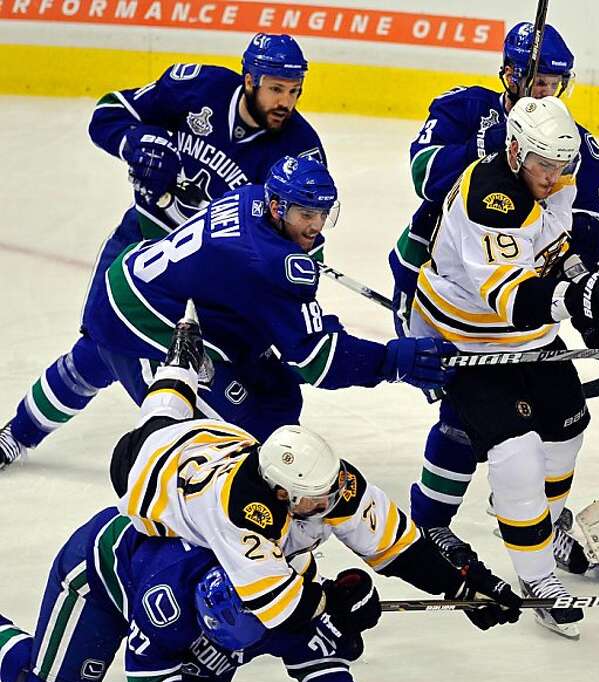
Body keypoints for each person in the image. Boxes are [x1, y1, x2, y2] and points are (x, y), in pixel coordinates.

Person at [0, 33, 329, 469]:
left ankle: (214, 473)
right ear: (249, 78)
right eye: (275, 88)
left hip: (210, 282)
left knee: (219, 383)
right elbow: (109, 112)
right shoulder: (197, 89)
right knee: (98, 351)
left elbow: (303, 240)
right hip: (139, 246)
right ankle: (18, 433)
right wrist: (133, 143)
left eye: (293, 91)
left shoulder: (298, 153)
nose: (285, 101)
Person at [103, 302, 522, 636]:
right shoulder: (240, 512)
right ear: (282, 495)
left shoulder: (325, 483)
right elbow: (278, 608)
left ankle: (181, 360)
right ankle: (177, 366)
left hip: (207, 440)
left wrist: (462, 585)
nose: (336, 501)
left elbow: (398, 545)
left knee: (171, 403)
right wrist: (334, 602)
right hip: (148, 474)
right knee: (161, 424)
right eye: (321, 498)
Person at [410, 94, 599, 639]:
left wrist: (597, 304)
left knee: (568, 429)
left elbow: (553, 249)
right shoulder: (489, 197)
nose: (553, 176)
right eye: (543, 164)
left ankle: (529, 518)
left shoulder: (556, 177)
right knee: (517, 454)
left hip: (527, 335)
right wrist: (580, 300)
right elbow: (510, 298)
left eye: (562, 166)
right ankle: (540, 580)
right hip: (463, 337)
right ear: (515, 151)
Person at [387, 22, 599, 572]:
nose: (544, 93)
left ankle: (533, 518)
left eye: (555, 84)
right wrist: (488, 150)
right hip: (440, 279)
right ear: (509, 74)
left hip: (520, 296)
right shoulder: (464, 109)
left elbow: (591, 229)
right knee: (464, 411)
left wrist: (592, 299)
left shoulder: (570, 145)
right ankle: (431, 525)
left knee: (517, 419)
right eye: (536, 81)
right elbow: (424, 175)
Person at [77, 154, 454, 440]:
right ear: (278, 208)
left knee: (278, 392)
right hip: (136, 322)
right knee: (247, 432)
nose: (316, 226)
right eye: (306, 214)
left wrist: (303, 324)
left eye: (323, 214)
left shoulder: (252, 196)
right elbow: (316, 362)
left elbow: (262, 296)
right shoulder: (273, 262)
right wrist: (391, 361)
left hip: (171, 295)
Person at [0, 509, 414, 682]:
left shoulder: (277, 593)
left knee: (206, 678)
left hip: (184, 588)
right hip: (100, 574)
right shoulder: (167, 602)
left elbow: (312, 657)